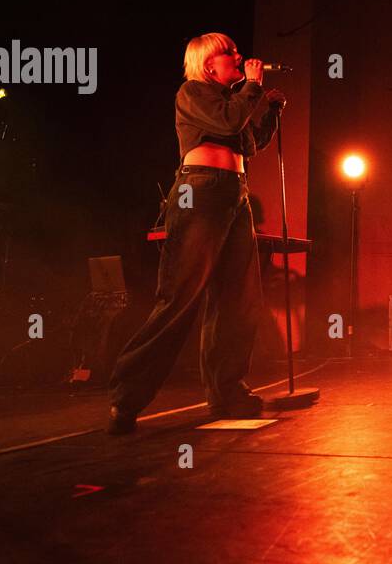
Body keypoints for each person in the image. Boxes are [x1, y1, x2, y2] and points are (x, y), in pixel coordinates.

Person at [105, 33, 288, 434]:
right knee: (180, 296)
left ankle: (228, 392)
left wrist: (269, 112)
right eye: (230, 53)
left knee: (237, 299)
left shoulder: (229, 101)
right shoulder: (193, 93)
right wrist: (253, 88)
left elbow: (249, 142)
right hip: (199, 191)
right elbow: (227, 121)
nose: (239, 56)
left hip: (234, 194)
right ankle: (127, 397)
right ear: (209, 65)